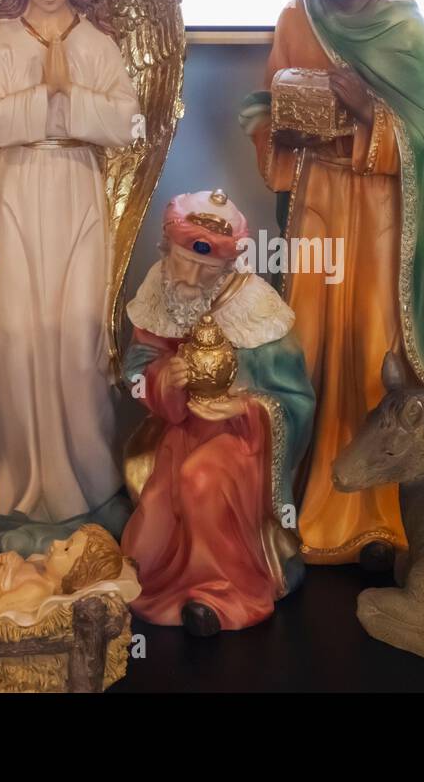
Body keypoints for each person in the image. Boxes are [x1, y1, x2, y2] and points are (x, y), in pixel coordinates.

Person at [239, 0, 424, 571]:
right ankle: (294, 501)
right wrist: (279, 126)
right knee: (304, 346)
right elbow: (264, 104)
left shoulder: (403, 28)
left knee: (370, 353)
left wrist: (367, 113)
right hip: (315, 206)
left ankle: (374, 514)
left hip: (378, 213)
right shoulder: (297, 14)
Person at [0, 0, 140, 527]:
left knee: (77, 334)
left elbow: (126, 124)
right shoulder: (2, 43)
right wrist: (49, 98)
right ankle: (18, 479)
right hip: (17, 191)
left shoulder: (98, 43)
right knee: (17, 328)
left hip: (78, 191)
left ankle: (89, 479)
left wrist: (72, 95)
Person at [119, 190, 314, 636]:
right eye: (180, 260)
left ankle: (219, 593)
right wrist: (163, 380)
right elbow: (134, 372)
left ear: (228, 266)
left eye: (204, 268)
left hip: (241, 444)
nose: (187, 277)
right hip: (180, 431)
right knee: (151, 529)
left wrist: (248, 408)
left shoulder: (256, 309)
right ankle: (168, 581)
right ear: (165, 250)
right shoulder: (160, 289)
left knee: (200, 480)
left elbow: (297, 400)